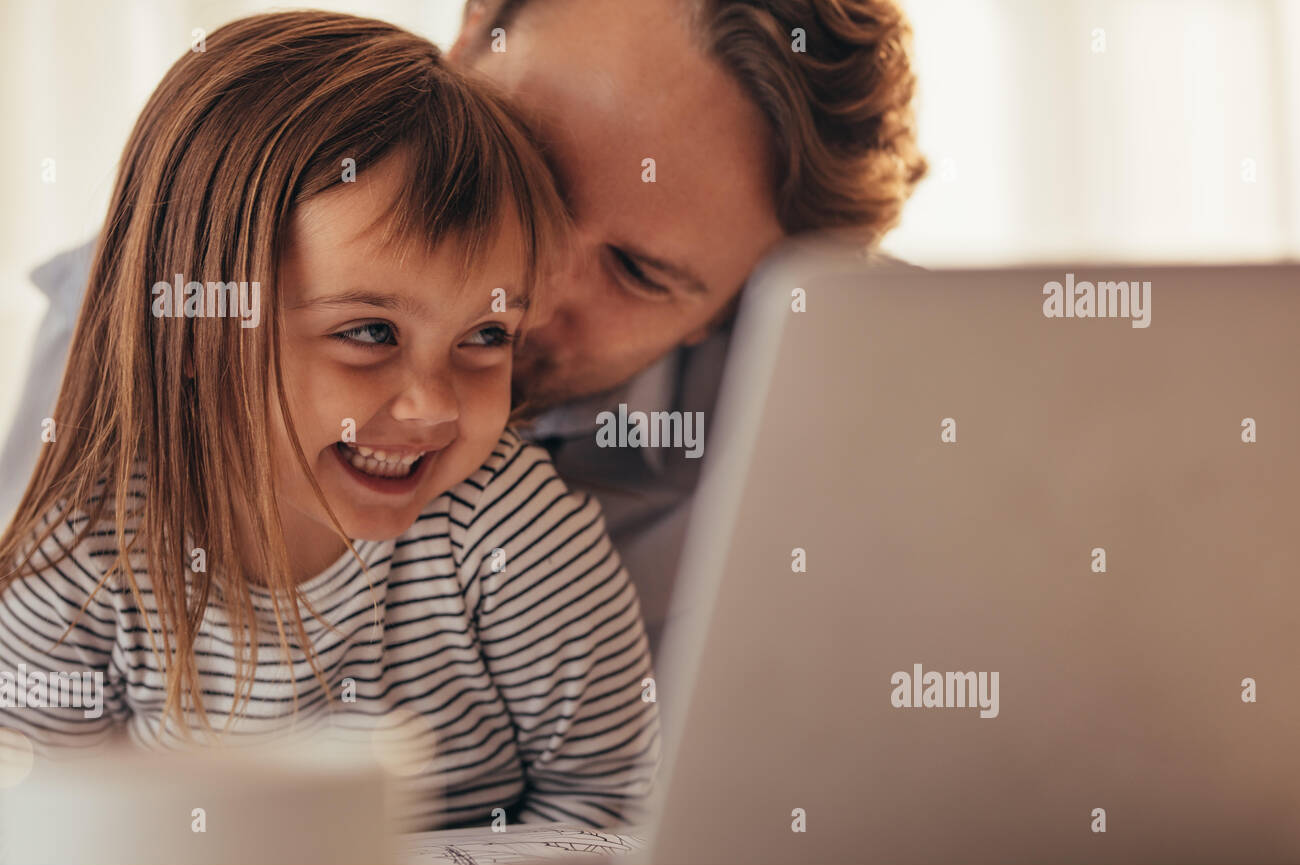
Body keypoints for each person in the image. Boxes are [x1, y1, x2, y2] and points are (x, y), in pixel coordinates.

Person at [0, 0, 926, 653]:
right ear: (475, 28)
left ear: (743, 307)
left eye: (639, 273)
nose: (524, 287)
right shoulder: (161, 309)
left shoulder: (879, 416)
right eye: (531, 166)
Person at [0, 12, 659, 832]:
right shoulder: (82, 562)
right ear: (194, 331)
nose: (435, 407)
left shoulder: (510, 532)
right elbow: (42, 835)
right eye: (370, 333)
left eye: (485, 337)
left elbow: (618, 812)